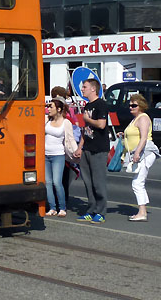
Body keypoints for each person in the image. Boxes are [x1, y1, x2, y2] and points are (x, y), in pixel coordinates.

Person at [75, 78, 109, 223]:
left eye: (84, 87)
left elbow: (101, 125)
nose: (82, 89)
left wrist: (87, 119)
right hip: (87, 147)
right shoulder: (87, 105)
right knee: (88, 182)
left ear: (93, 89)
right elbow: (85, 129)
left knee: (98, 182)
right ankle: (91, 209)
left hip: (98, 149)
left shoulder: (101, 104)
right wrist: (80, 147)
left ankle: (100, 211)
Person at [122, 94, 160, 221]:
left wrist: (137, 152)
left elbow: (144, 137)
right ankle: (142, 211)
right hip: (139, 152)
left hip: (146, 152)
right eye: (130, 105)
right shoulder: (135, 119)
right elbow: (133, 134)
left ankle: (142, 212)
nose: (131, 107)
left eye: (134, 105)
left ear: (141, 106)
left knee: (137, 182)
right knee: (138, 182)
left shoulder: (143, 118)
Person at [44, 98, 76, 217]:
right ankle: (52, 207)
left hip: (58, 155)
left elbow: (70, 139)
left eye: (51, 107)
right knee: (48, 182)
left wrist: (76, 151)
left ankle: (62, 207)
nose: (48, 109)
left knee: (57, 182)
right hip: (45, 155)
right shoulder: (46, 120)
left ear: (58, 109)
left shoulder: (66, 122)